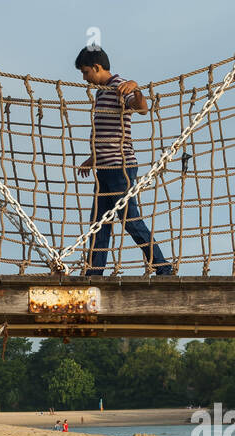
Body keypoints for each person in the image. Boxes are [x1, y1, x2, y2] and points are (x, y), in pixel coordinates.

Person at [75, 46, 174, 276]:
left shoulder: (120, 86)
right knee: (98, 223)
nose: (84, 78)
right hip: (104, 167)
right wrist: (93, 158)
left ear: (97, 68)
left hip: (121, 167)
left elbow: (142, 108)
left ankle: (163, 267)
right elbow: (108, 132)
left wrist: (136, 88)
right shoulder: (101, 92)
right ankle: (94, 274)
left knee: (129, 219)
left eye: (86, 72)